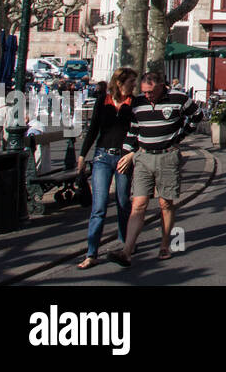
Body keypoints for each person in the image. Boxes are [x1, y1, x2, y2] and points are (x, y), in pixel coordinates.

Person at [110, 73, 200, 267]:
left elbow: (197, 115)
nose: (147, 96)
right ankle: (127, 251)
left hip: (167, 156)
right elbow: (134, 129)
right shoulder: (138, 103)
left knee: (165, 203)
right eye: (144, 92)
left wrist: (181, 135)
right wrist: (126, 153)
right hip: (144, 156)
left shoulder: (178, 98)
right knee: (138, 203)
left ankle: (165, 244)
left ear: (161, 86)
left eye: (150, 92)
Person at [76, 67, 138, 269]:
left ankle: (125, 244)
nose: (134, 86)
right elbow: (94, 128)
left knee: (122, 203)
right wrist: (82, 155)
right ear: (119, 83)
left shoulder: (134, 104)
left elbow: (139, 132)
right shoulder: (103, 101)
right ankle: (91, 252)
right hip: (102, 156)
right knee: (99, 206)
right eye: (131, 83)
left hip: (123, 158)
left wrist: (131, 154)